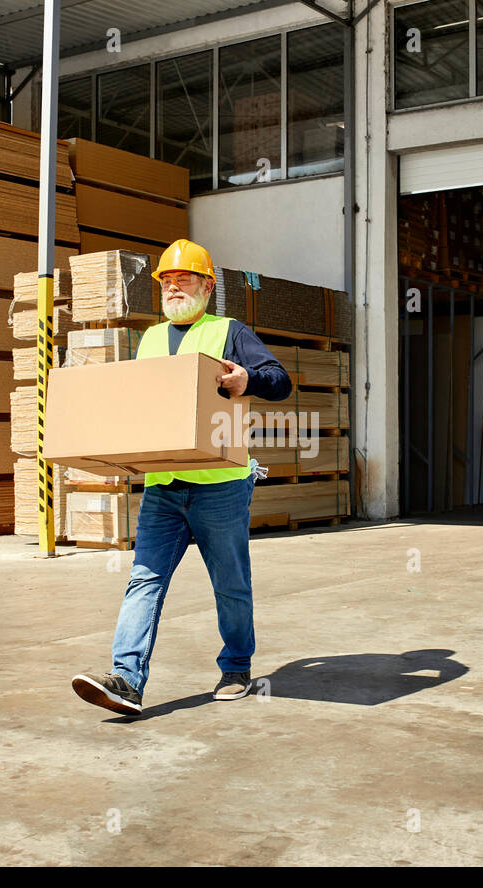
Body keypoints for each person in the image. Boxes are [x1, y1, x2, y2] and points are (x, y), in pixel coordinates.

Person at [71, 239, 293, 716]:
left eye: (183, 279)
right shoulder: (150, 339)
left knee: (230, 583)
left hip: (221, 486)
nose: (172, 288)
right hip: (163, 488)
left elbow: (280, 379)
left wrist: (246, 380)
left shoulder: (230, 332)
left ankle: (236, 666)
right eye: (166, 282)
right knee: (143, 581)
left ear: (207, 286)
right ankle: (126, 680)